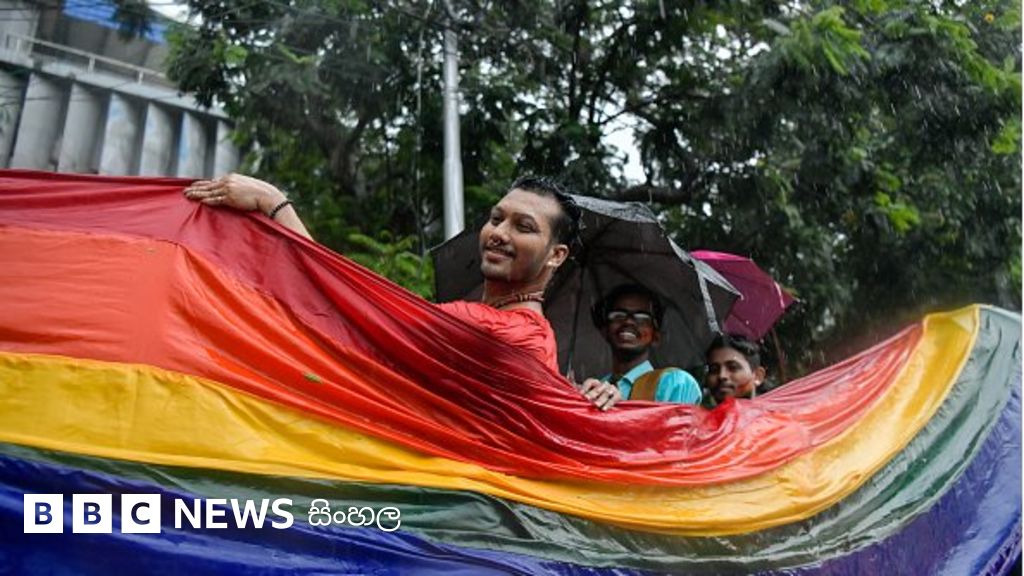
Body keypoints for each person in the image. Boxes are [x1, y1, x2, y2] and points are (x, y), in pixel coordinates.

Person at [183, 173, 623, 410]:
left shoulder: (506, 331)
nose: (498, 233)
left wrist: (272, 201)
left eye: (524, 227)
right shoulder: (524, 332)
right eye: (495, 217)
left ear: (556, 256)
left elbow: (351, 306)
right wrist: (583, 396)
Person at [578, 284, 703, 409]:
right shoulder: (595, 388)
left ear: (656, 337)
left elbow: (676, 428)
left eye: (642, 318)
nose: (628, 322)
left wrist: (619, 411)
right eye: (618, 315)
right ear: (605, 331)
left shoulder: (675, 383)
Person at [704, 333, 766, 406]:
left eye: (733, 368)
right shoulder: (695, 416)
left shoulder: (775, 416)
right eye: (713, 370)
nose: (721, 375)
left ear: (757, 376)